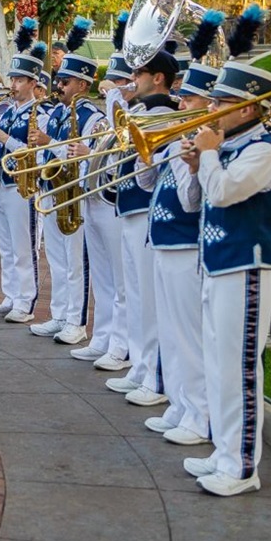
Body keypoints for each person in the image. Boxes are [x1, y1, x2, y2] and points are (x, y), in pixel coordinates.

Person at [182, 33, 271, 497]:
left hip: (246, 269)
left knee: (240, 371)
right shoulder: (223, 151)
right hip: (218, 267)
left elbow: (224, 193)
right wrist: (194, 166)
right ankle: (224, 453)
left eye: (221, 103)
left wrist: (205, 156)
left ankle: (244, 467)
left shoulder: (263, 152)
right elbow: (195, 204)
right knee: (217, 367)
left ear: (247, 109)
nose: (211, 111)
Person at [133, 13, 225, 448]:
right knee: (171, 331)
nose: (179, 106)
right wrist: (146, 153)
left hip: (188, 245)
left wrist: (195, 161)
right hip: (163, 240)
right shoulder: (174, 136)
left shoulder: (211, 144)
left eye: (187, 101)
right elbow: (147, 185)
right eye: (181, 98)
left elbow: (192, 201)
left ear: (208, 104)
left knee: (189, 335)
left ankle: (200, 414)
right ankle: (181, 404)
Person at [103, 43, 179, 408]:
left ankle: (154, 374)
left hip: (146, 208)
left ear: (157, 78)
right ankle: (140, 364)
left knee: (147, 297)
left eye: (138, 74)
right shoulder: (141, 110)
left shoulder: (162, 111)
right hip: (130, 204)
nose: (132, 80)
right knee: (135, 294)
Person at [29, 19, 103, 344]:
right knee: (56, 261)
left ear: (84, 85)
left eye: (67, 81)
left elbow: (91, 156)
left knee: (76, 263)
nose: (59, 86)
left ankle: (76, 321)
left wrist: (48, 143)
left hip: (74, 197)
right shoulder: (59, 112)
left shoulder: (92, 117)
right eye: (60, 80)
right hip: (53, 191)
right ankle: (59, 314)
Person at [70, 23, 130, 368]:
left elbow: (115, 158)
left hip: (113, 201)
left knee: (121, 281)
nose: (113, 91)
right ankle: (104, 336)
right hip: (93, 197)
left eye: (119, 85)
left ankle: (120, 346)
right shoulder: (105, 118)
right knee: (103, 279)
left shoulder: (122, 116)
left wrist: (88, 153)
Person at [0, 20, 49, 322]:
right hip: (3, 182)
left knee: (25, 248)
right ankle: (10, 295)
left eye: (20, 80)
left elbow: (34, 153)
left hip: (25, 186)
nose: (13, 85)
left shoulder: (41, 112)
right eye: (12, 79)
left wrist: (4, 139)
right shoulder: (8, 110)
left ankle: (25, 302)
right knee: (7, 246)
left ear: (34, 83)